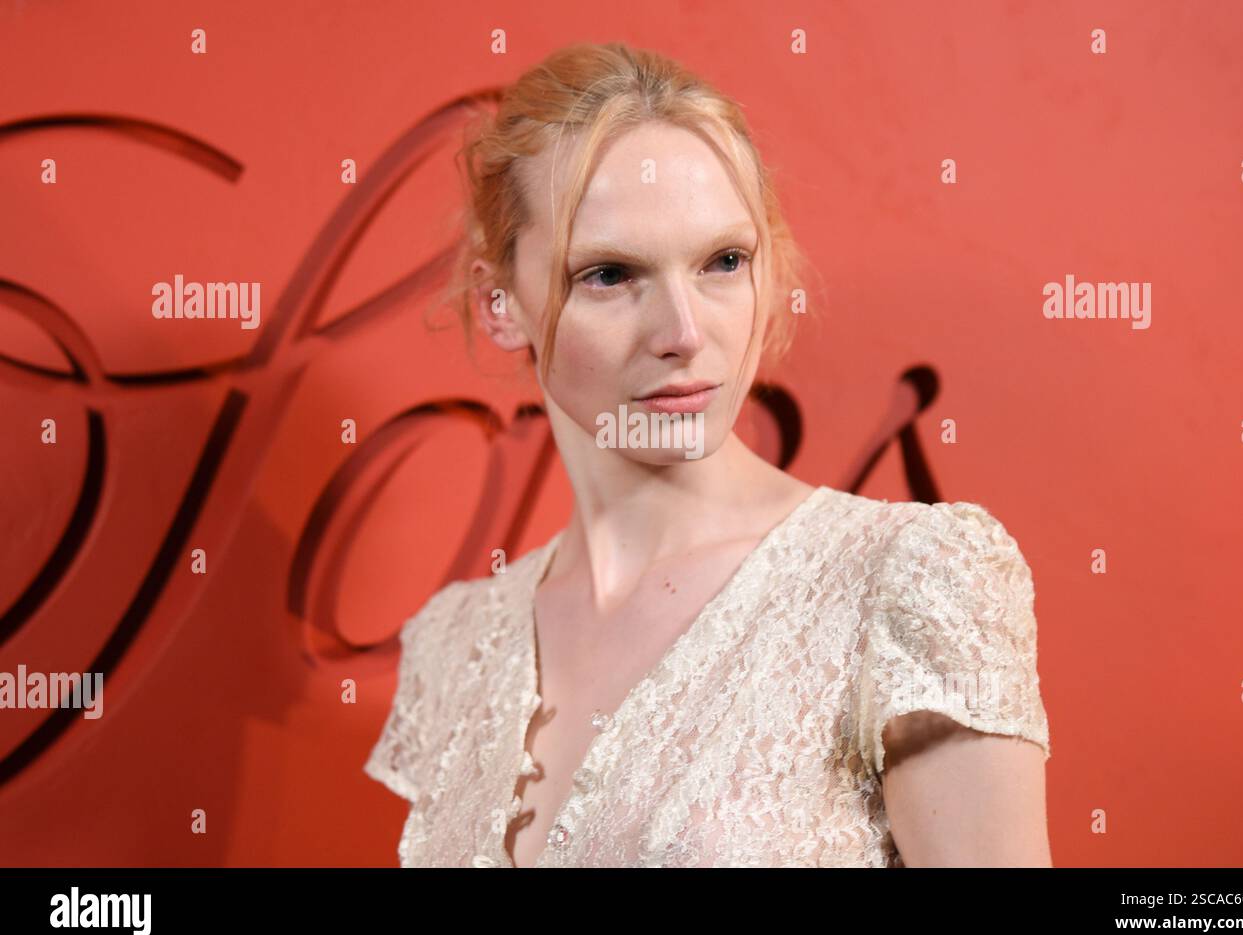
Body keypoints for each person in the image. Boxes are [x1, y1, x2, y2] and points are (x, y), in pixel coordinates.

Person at [364, 41, 1051, 867]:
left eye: (724, 261)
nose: (685, 334)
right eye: (611, 274)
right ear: (499, 302)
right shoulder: (454, 646)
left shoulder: (907, 578)